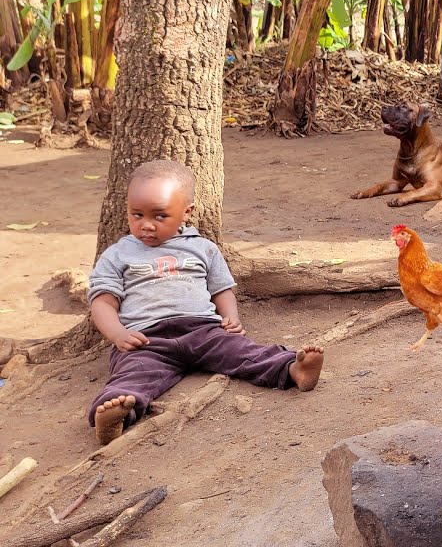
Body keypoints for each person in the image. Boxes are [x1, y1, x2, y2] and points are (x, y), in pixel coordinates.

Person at [87, 160, 325, 445]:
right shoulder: (117, 254)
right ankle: (117, 414)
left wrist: (231, 317)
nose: (146, 225)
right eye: (136, 215)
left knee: (244, 352)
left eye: (159, 216)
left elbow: (222, 289)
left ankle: (293, 369)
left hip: (204, 330)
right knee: (134, 374)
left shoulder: (203, 248)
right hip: (147, 339)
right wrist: (118, 334)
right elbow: (102, 301)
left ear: (187, 212)